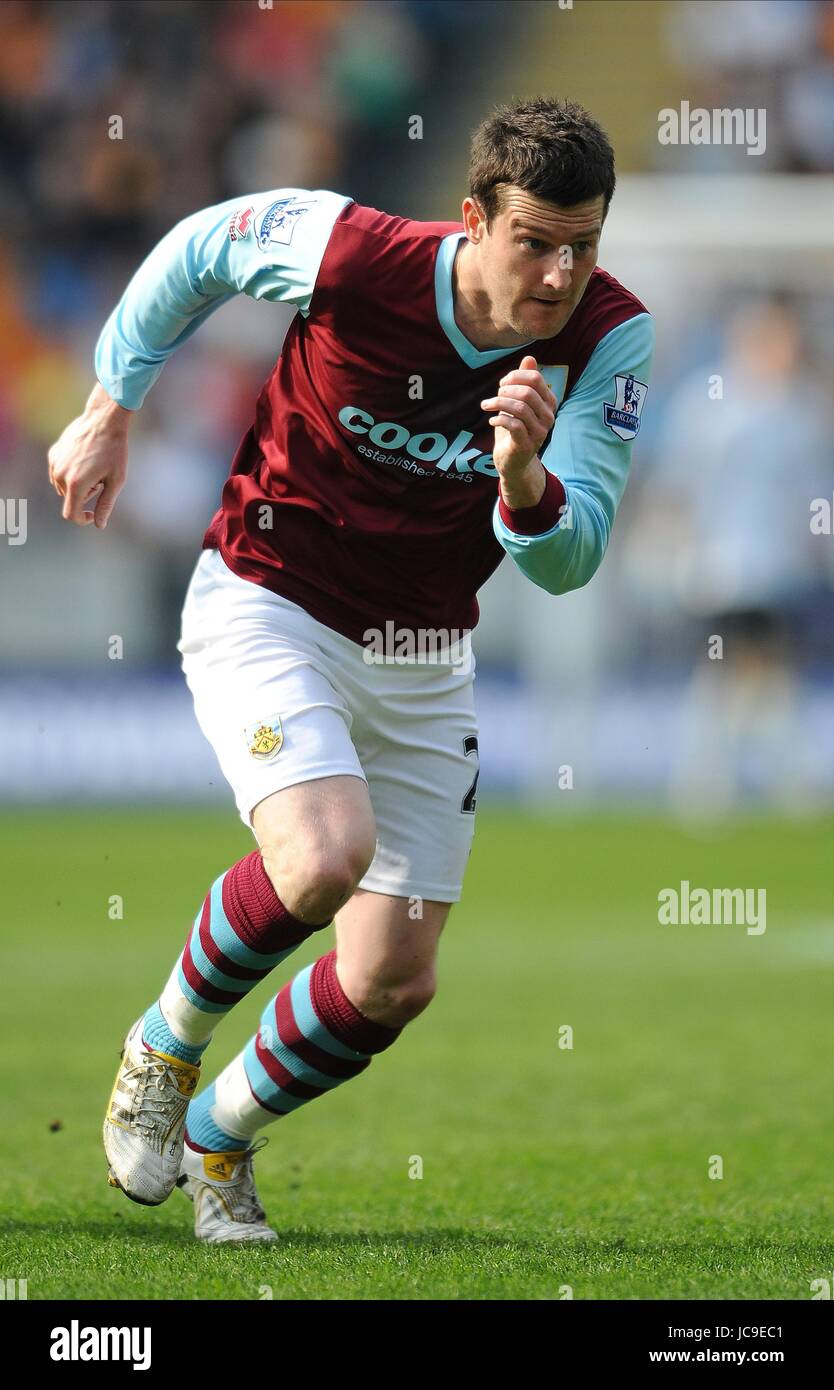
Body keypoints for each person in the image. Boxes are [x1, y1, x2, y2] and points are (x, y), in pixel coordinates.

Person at [47, 97, 654, 1243]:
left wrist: (522, 477)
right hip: (269, 597)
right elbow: (197, 249)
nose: (561, 273)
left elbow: (574, 561)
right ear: (473, 218)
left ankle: (219, 1134)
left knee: (392, 980)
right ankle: (163, 1048)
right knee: (325, 854)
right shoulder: (352, 251)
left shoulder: (608, 337)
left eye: (584, 243)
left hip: (426, 652)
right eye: (535, 240)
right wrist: (110, 406)